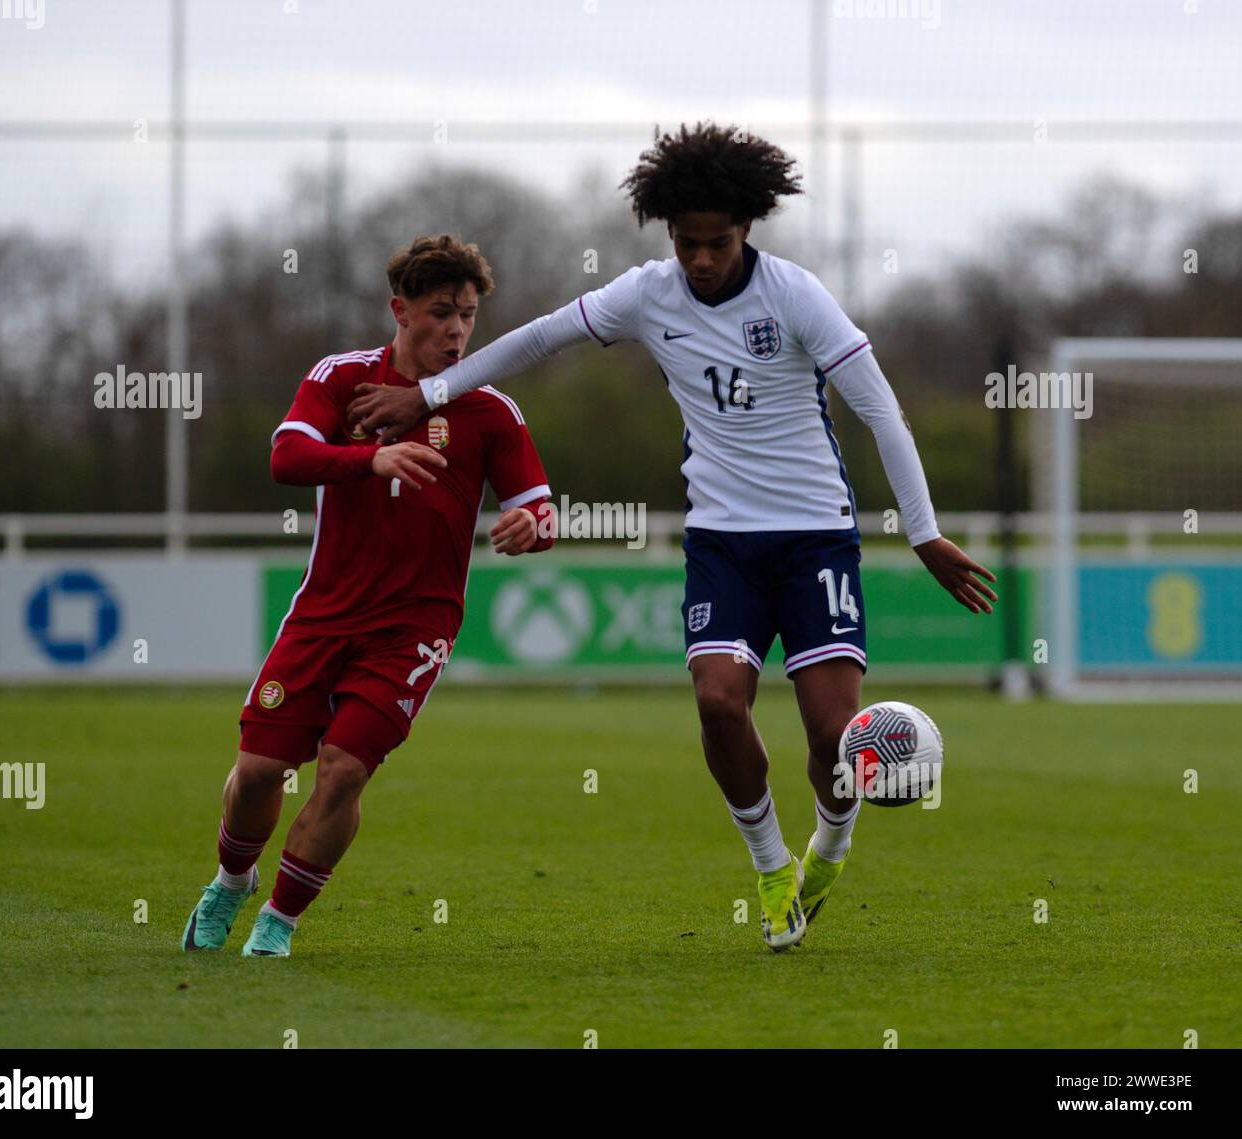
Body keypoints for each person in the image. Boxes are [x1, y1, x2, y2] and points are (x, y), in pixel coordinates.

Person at [348, 125, 997, 952]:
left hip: (815, 540)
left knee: (837, 740)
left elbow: (879, 409)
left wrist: (926, 532)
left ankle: (829, 846)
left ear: (748, 230)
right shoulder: (650, 294)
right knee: (718, 700)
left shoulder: (795, 295)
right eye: (685, 242)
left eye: (715, 243)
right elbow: (541, 336)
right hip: (722, 541)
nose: (698, 259)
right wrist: (431, 392)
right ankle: (771, 870)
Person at [182, 234, 555, 958]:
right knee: (259, 771)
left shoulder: (490, 409)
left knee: (345, 767)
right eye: (442, 312)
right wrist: (369, 456)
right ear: (399, 309)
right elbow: (286, 456)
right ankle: (233, 880)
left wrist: (527, 525)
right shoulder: (341, 377)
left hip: (417, 625)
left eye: (469, 315)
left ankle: (278, 923)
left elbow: (541, 509)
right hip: (324, 610)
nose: (457, 330)